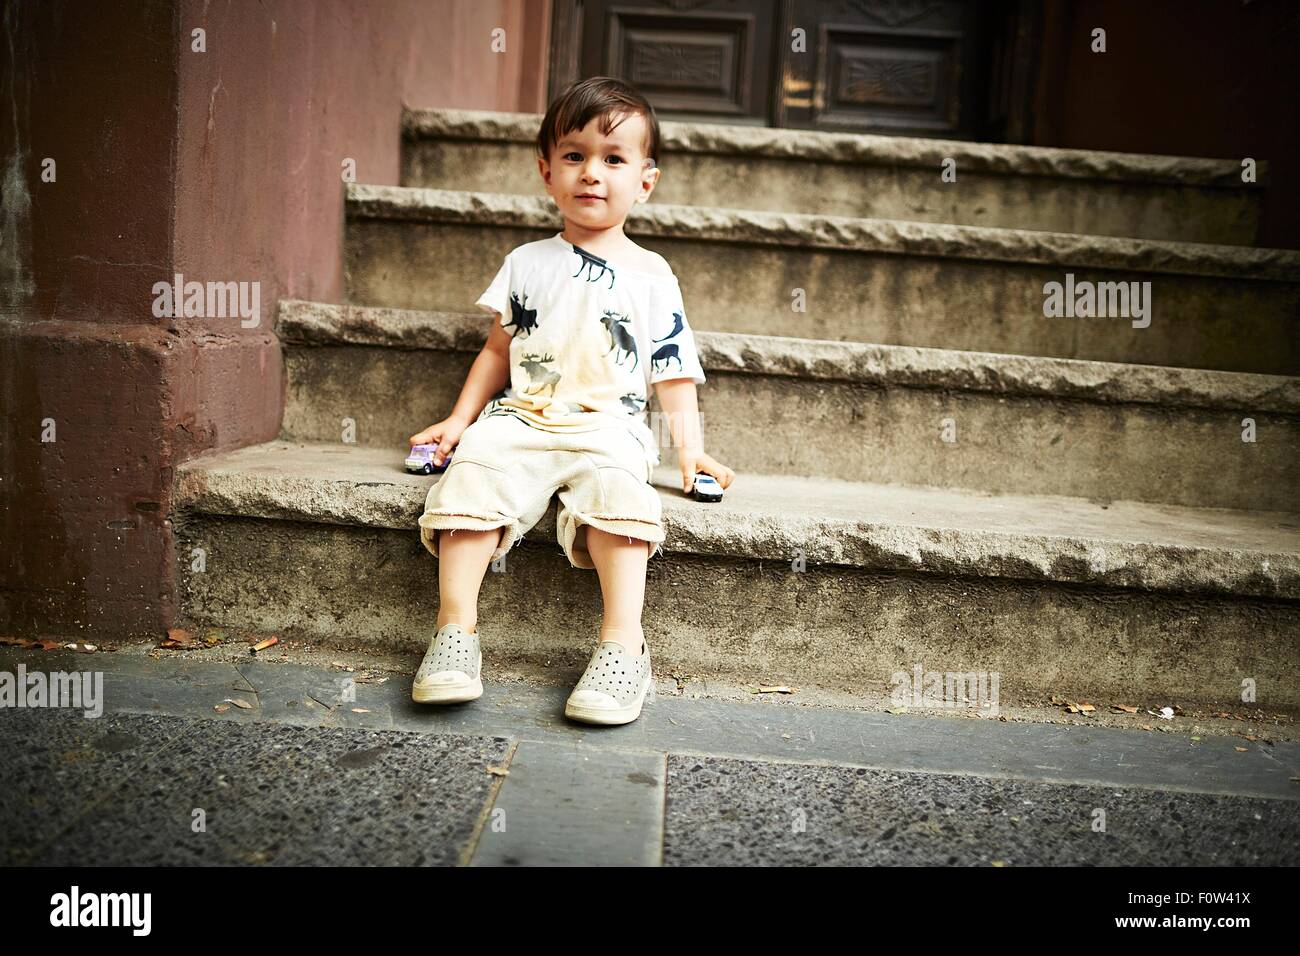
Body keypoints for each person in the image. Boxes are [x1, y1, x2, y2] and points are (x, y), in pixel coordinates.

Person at [409, 76, 735, 725]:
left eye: (614, 159)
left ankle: (622, 648)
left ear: (645, 180)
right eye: (575, 156)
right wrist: (458, 420)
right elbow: (498, 352)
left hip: (609, 426)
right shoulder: (526, 261)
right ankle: (454, 633)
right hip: (522, 417)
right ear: (546, 171)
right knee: (470, 481)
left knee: (619, 499)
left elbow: (671, 370)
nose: (592, 173)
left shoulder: (652, 274)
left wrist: (689, 452)